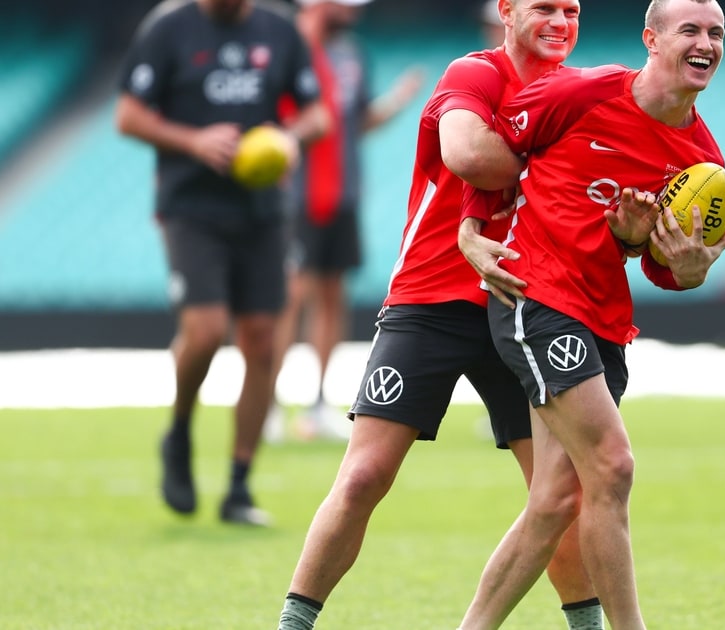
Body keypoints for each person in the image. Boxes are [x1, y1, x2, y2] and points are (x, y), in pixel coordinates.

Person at [276, 2, 607, 629]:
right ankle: (293, 624)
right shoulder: (473, 74)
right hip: (430, 300)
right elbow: (469, 156)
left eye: (572, 8)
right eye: (544, 7)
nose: (561, 19)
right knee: (364, 475)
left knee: (560, 494)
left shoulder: (579, 93)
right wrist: (559, 166)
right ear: (506, 12)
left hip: (522, 306)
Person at [453, 0, 725, 627]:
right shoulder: (579, 92)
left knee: (554, 500)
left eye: (716, 33)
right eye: (690, 30)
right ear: (651, 40)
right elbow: (501, 150)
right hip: (536, 296)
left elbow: (670, 269)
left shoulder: (703, 165)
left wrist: (685, 267)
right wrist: (471, 228)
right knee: (613, 465)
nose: (705, 43)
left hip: (603, 317)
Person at [115, 0, 328, 526]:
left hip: (263, 210)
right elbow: (128, 115)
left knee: (261, 341)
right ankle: (180, 431)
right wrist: (193, 140)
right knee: (206, 331)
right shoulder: (169, 27)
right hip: (192, 207)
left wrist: (289, 136)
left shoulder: (279, 29)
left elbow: (317, 114)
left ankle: (238, 485)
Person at [265, 0, 424, 442]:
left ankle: (317, 404)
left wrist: (395, 102)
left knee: (332, 296)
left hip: (342, 195)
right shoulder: (282, 46)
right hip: (293, 196)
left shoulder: (352, 54)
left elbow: (357, 121)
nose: (353, 12)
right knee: (290, 296)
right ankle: (270, 404)